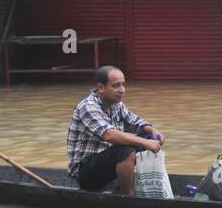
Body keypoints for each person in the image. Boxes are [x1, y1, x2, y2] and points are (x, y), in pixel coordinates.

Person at [66, 65, 164, 195]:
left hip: (107, 163)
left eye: (123, 85)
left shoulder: (117, 104)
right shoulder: (87, 107)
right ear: (101, 88)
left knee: (150, 138)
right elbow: (109, 135)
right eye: (116, 86)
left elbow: (135, 122)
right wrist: (144, 142)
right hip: (85, 173)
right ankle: (126, 196)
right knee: (125, 151)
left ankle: (129, 183)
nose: (122, 90)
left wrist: (152, 130)